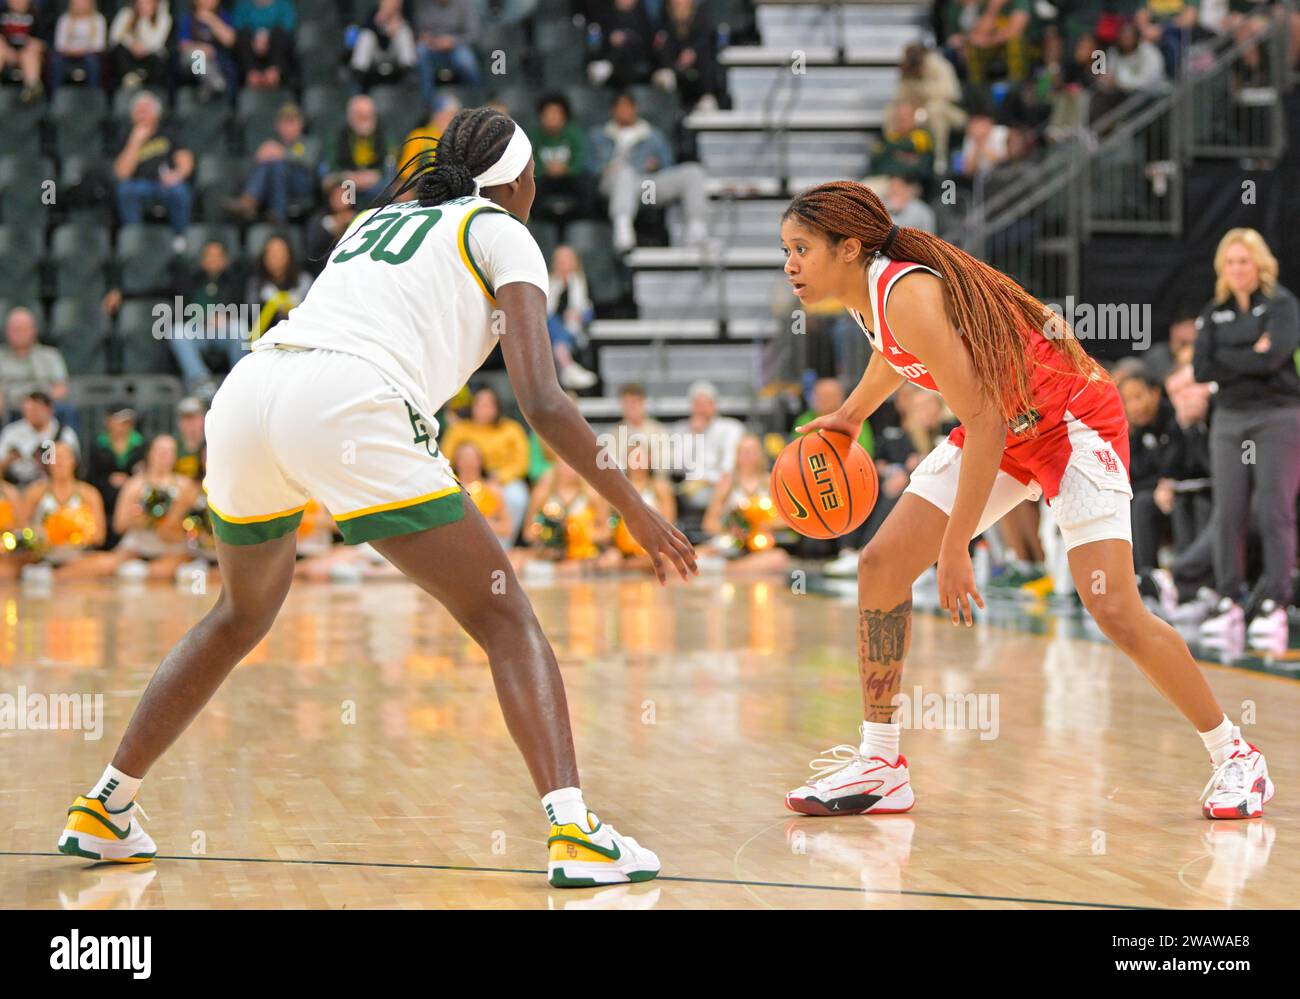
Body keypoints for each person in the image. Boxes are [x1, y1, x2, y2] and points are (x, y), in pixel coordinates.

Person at [58, 107, 695, 887]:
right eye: (532, 181)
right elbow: (542, 397)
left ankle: (105, 806)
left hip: (251, 390)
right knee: (503, 615)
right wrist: (631, 503)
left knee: (239, 612)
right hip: (348, 398)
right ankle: (575, 831)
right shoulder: (503, 230)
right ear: (521, 181)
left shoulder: (386, 216)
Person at [778, 180, 1274, 822]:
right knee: (881, 567)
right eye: (786, 250)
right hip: (1007, 425)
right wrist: (849, 415)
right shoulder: (869, 295)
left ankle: (1235, 754)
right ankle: (881, 764)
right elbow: (898, 357)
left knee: (1114, 607)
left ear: (848, 248)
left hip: (1071, 421)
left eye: (800, 249)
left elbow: (981, 419)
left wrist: (957, 546)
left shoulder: (906, 294)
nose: (789, 265)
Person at [1192, 228, 1300, 648]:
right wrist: (1251, 355)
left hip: (1277, 416)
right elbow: (1201, 368)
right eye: (1231, 262)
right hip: (1230, 418)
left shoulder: (1282, 305)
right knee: (1229, 510)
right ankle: (1228, 598)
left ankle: (1274, 599)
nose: (1238, 269)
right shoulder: (1213, 310)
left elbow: (1275, 358)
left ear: (1260, 265)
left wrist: (1231, 358)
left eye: (1245, 261)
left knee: (1274, 509)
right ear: (1223, 268)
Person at [588, 90, 710, 252]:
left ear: (635, 108)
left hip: (647, 189)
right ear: (613, 110)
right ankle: (623, 227)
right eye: (620, 107)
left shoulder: (653, 135)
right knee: (625, 172)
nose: (624, 111)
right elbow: (589, 166)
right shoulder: (599, 135)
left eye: (628, 107)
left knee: (693, 171)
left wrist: (657, 165)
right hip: (614, 185)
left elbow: (668, 164)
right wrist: (605, 168)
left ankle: (697, 228)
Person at [438, 386, 530, 540]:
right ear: (472, 406)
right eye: (479, 404)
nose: (483, 408)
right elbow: (445, 460)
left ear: (497, 407)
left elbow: (521, 462)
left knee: (516, 496)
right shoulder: (459, 429)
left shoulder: (511, 428)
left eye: (488, 404)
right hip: (464, 479)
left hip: (501, 480)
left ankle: (503, 544)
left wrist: (499, 478)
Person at [113, 92, 195, 246]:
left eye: (146, 111)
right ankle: (134, 236)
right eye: (138, 112)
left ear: (156, 115)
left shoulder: (169, 134)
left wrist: (176, 175)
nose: (141, 116)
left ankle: (179, 237)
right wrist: (135, 142)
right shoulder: (126, 136)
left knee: (180, 191)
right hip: (139, 184)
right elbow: (122, 173)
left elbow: (186, 161)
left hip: (166, 183)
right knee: (124, 190)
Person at [227, 103, 320, 223]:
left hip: (303, 185)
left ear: (300, 125)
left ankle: (253, 203)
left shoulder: (309, 143)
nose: (287, 127)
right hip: (276, 184)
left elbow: (310, 162)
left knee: (277, 165)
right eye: (284, 123)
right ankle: (254, 204)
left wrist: (283, 154)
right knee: (269, 164)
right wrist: (258, 158)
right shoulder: (272, 144)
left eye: (291, 122)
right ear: (277, 126)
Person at [0, 391, 80, 488]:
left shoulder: (64, 434)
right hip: (17, 485)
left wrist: (49, 461)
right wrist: (9, 459)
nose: (30, 414)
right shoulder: (12, 432)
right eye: (26, 410)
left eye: (35, 410)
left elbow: (75, 465)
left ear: (49, 409)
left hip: (52, 486)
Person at [0, 307, 69, 418]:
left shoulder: (50, 355)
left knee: (66, 410)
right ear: (7, 331)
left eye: (23, 329)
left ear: (34, 330)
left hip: (43, 409)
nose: (19, 334)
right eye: (15, 330)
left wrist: (39, 403)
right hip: (8, 409)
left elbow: (61, 388)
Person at [546, 245, 597, 391]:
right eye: (560, 260)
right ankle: (568, 366)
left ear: (575, 262)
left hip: (574, 334)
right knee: (549, 319)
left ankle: (566, 365)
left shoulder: (582, 284)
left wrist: (580, 316)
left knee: (556, 328)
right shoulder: (546, 282)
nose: (563, 264)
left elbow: (590, 313)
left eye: (567, 260)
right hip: (547, 333)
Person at [412, 0, 482, 102]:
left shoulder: (463, 4)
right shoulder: (424, 4)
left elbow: (473, 34)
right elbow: (419, 30)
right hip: (432, 48)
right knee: (420, 51)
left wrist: (452, 41)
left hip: (456, 47)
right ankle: (427, 101)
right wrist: (427, 38)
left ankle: (477, 99)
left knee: (466, 61)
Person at [350, 0, 416, 90]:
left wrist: (398, 24)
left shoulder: (405, 13)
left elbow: (415, 34)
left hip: (395, 57)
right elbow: (363, 30)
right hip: (376, 56)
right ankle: (358, 74)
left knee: (404, 32)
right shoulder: (374, 12)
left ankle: (409, 72)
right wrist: (378, 23)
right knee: (366, 36)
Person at [178, 0, 238, 96]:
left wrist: (211, 19)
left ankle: (208, 85)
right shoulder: (188, 18)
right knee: (196, 55)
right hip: (192, 65)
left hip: (216, 63)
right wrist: (201, 49)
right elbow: (183, 45)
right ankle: (215, 83)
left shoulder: (223, 16)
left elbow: (230, 41)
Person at [108, 0, 170, 90]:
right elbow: (114, 37)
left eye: (147, 3)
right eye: (140, 3)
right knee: (119, 51)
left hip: (151, 55)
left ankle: (151, 88)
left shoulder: (163, 18)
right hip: (129, 54)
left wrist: (144, 20)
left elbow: (158, 43)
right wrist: (131, 44)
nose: (142, 6)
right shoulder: (126, 14)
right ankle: (130, 78)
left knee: (159, 59)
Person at [51, 0, 107, 91]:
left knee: (93, 62)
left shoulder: (98, 19)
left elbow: (99, 45)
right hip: (68, 54)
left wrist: (83, 50)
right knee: (56, 61)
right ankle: (54, 96)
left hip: (89, 54)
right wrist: (72, 51)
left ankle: (94, 93)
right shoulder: (65, 19)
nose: (80, 5)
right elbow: (59, 44)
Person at [0, 0, 46, 102]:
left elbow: (42, 41)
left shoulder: (37, 13)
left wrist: (34, 45)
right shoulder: (2, 12)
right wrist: (8, 50)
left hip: (28, 52)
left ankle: (32, 88)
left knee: (29, 54)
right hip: (7, 52)